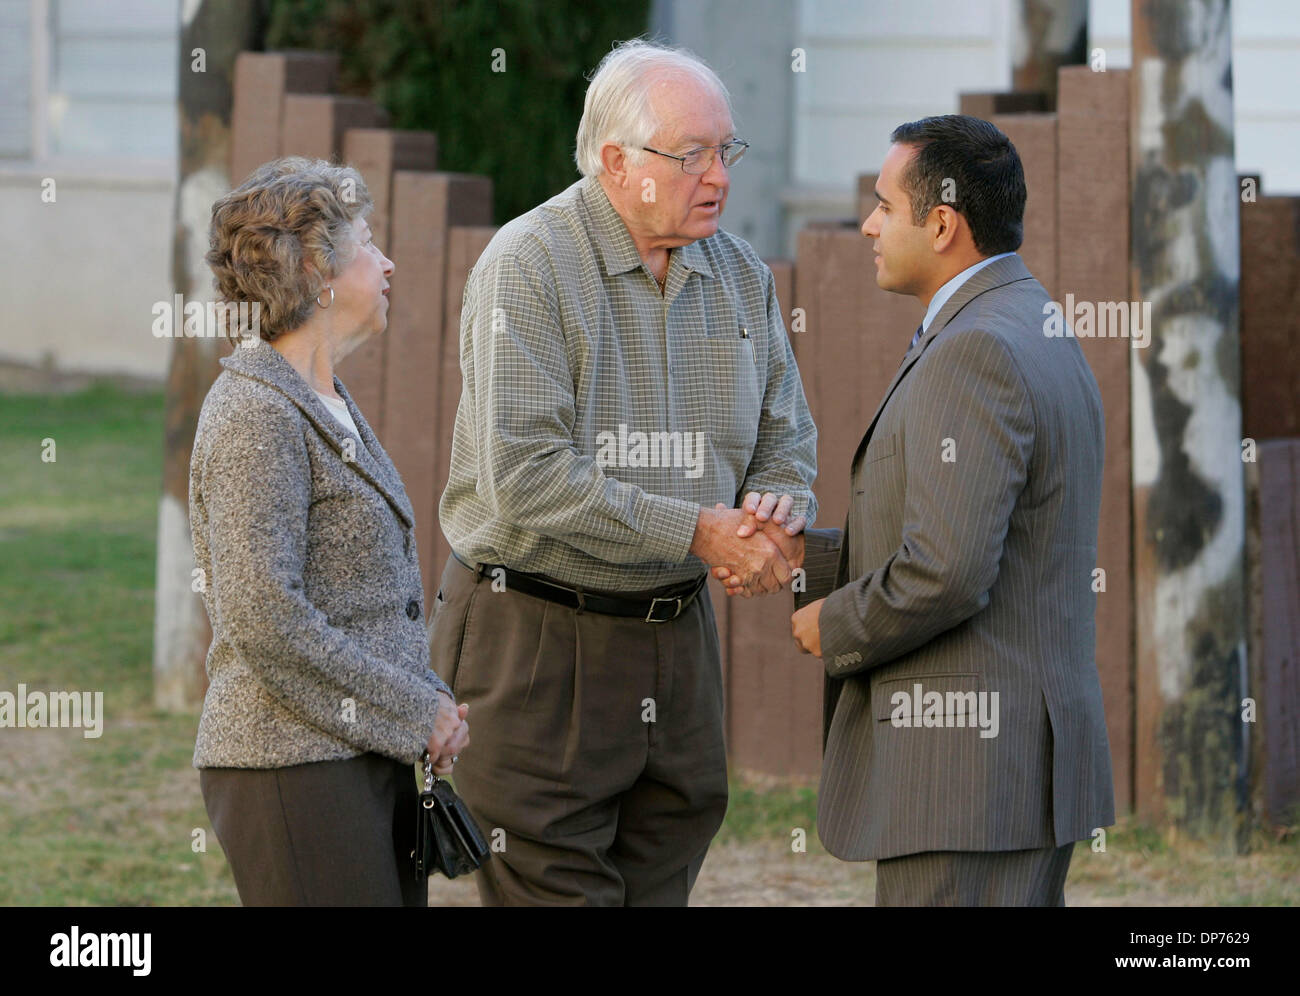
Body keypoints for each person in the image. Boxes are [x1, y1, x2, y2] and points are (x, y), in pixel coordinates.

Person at [431, 39, 817, 906]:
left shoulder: (742, 273)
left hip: (677, 638)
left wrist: (770, 511)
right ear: (616, 161)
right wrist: (696, 527)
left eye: (727, 150)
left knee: (662, 874)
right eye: (692, 155)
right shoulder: (528, 264)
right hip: (536, 633)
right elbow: (525, 474)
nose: (719, 174)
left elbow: (787, 435)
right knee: (552, 881)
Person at [782, 115, 1114, 905]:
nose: (867, 224)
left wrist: (831, 622)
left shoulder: (975, 349)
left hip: (966, 780)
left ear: (941, 223)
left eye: (882, 205)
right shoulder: (1033, 321)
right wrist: (811, 561)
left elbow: (950, 571)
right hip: (1008, 777)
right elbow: (999, 533)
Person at [191, 156, 469, 906]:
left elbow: (361, 605)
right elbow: (263, 617)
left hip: (357, 756)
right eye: (370, 243)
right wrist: (415, 710)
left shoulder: (323, 398)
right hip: (291, 767)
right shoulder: (254, 411)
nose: (388, 262)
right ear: (317, 267)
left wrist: (424, 701)